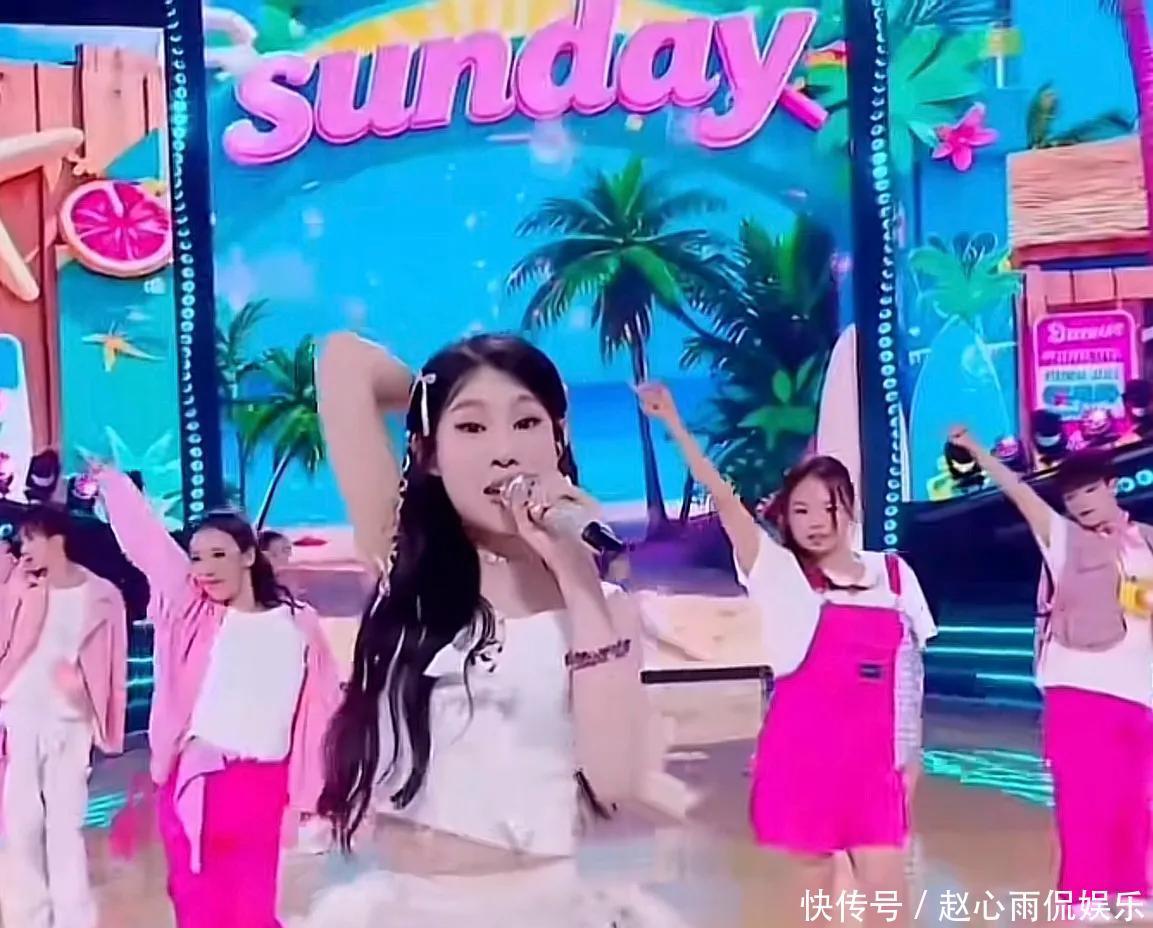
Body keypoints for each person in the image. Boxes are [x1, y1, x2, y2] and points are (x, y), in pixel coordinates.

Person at [295, 332, 690, 927]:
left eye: (526, 423)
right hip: (403, 906)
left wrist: (576, 575)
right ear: (429, 454)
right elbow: (344, 361)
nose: (504, 452)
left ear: (559, 439)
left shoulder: (604, 609)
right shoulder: (407, 567)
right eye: (473, 428)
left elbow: (613, 780)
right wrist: (437, 397)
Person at [637, 383, 935, 924]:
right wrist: (674, 423)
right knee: (815, 903)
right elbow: (726, 502)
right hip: (803, 762)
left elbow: (912, 673)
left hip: (875, 769)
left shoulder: (894, 575)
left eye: (828, 507)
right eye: (801, 510)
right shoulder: (779, 574)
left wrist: (910, 757)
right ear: (786, 519)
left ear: (850, 509)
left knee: (888, 902)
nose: (816, 520)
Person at [92, 469, 343, 928]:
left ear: (248, 556)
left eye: (218, 555)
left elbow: (322, 710)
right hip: (200, 782)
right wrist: (112, 483)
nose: (204, 568)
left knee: (254, 913)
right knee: (201, 912)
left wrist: (315, 795)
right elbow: (149, 546)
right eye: (196, 557)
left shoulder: (299, 623)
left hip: (265, 787)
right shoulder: (194, 612)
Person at [948, 428, 1153, 907]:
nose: (1080, 503)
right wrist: (976, 450)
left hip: (1141, 694)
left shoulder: (1146, 540)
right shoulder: (1063, 538)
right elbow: (1019, 492)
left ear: (1112, 486)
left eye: (1089, 490)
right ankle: (1083, 901)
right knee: (1085, 805)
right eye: (1071, 496)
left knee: (1135, 804)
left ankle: (1132, 894)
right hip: (1079, 690)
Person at [0, 505, 127, 928]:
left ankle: (74, 918)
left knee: (65, 827)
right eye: (20, 540)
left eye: (31, 539)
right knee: (21, 827)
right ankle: (28, 918)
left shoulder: (103, 596)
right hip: (20, 712)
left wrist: (99, 715)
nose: (23, 548)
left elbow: (114, 667)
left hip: (70, 721)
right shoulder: (20, 586)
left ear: (57, 540)